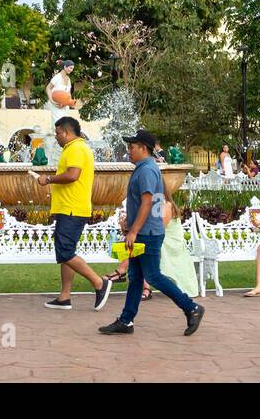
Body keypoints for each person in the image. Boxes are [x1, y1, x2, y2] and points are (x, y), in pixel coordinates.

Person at [98, 130, 203, 336]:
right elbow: (144, 202)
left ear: (143, 148)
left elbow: (147, 202)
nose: (129, 150)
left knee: (153, 276)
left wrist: (134, 231)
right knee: (136, 277)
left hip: (148, 233)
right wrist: (130, 223)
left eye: (132, 147)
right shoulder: (144, 168)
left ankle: (192, 308)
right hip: (144, 231)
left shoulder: (146, 170)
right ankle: (126, 321)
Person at [37, 116, 111, 311]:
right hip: (69, 208)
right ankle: (64, 297)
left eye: (58, 133)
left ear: (68, 133)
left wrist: (49, 179)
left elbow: (73, 175)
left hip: (72, 209)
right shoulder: (74, 148)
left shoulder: (77, 148)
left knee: (65, 252)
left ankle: (99, 283)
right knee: (65, 253)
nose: (56, 137)